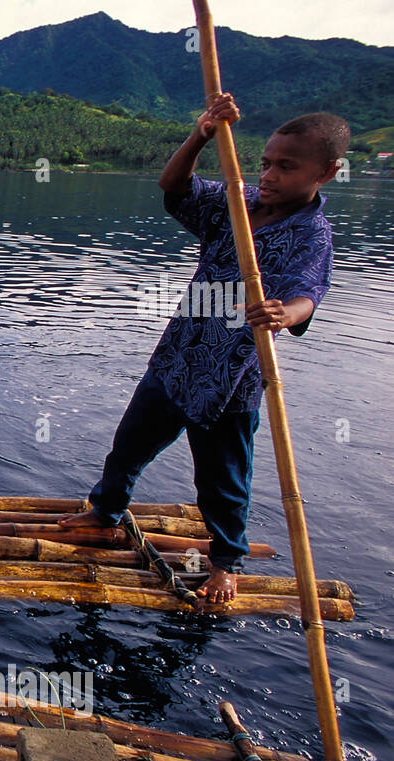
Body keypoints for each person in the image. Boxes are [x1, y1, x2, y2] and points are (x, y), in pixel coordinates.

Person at [60, 94, 348, 606]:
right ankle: (104, 512)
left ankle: (225, 562)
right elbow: (174, 188)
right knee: (129, 445)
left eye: (286, 166)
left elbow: (309, 292)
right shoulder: (238, 203)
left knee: (223, 476)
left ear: (327, 172)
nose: (271, 175)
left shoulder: (312, 233)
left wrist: (286, 313)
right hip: (178, 356)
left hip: (231, 377)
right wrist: (201, 134)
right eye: (266, 162)